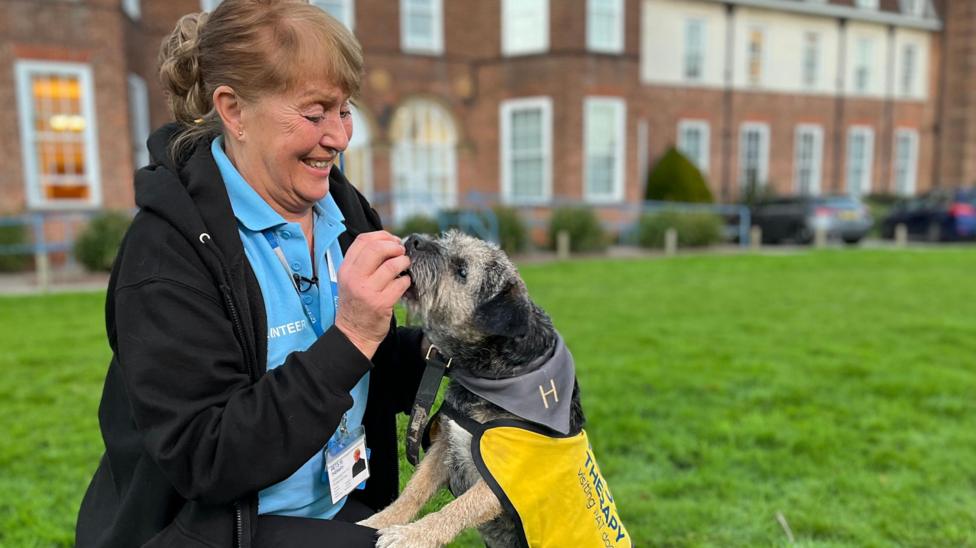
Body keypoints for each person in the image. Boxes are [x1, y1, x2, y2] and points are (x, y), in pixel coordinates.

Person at [75, 1, 426, 546]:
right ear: (234, 111)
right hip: (219, 527)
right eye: (315, 114)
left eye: (345, 110)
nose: (338, 136)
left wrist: (461, 356)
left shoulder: (342, 209)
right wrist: (351, 334)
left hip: (340, 500)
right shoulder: (168, 254)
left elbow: (370, 360)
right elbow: (207, 456)